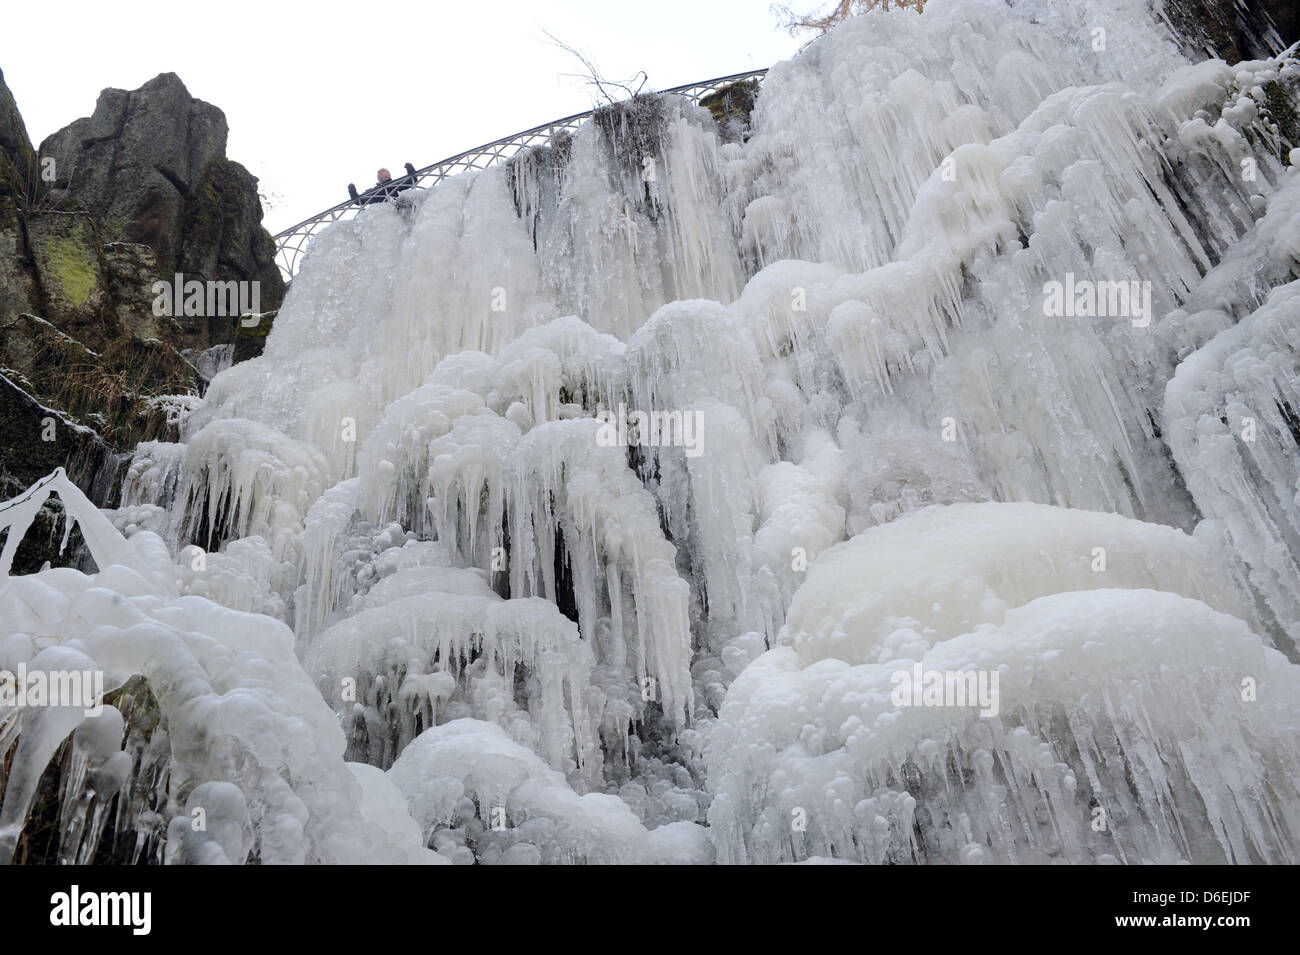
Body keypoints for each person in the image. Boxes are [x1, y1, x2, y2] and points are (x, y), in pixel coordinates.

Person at [347, 163, 420, 205]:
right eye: (379, 172)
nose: (380, 172)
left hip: (396, 208)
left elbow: (412, 181)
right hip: (380, 215)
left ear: (388, 174)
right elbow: (359, 201)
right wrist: (352, 192)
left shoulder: (396, 184)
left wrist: (410, 169)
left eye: (383, 171)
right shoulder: (373, 191)